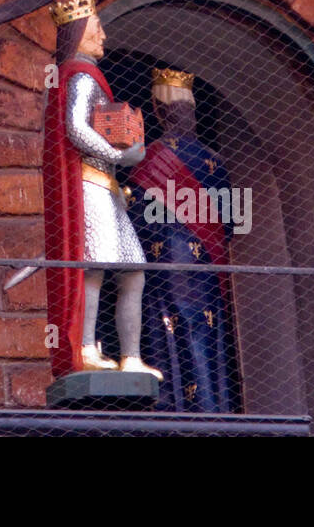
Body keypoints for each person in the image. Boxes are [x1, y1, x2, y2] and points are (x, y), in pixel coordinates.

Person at [42, 0, 162, 378]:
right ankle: (87, 347)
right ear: (77, 34)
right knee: (93, 268)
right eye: (96, 29)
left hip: (105, 187)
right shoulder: (79, 76)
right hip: (91, 185)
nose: (104, 36)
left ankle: (130, 357)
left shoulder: (87, 76)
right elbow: (76, 128)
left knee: (133, 270)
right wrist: (116, 154)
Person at [130, 68, 236, 412]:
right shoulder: (216, 161)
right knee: (208, 334)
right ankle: (212, 409)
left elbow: (134, 220)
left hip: (166, 262)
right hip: (207, 264)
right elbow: (234, 223)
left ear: (158, 111)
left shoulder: (147, 159)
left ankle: (176, 411)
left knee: (169, 332)